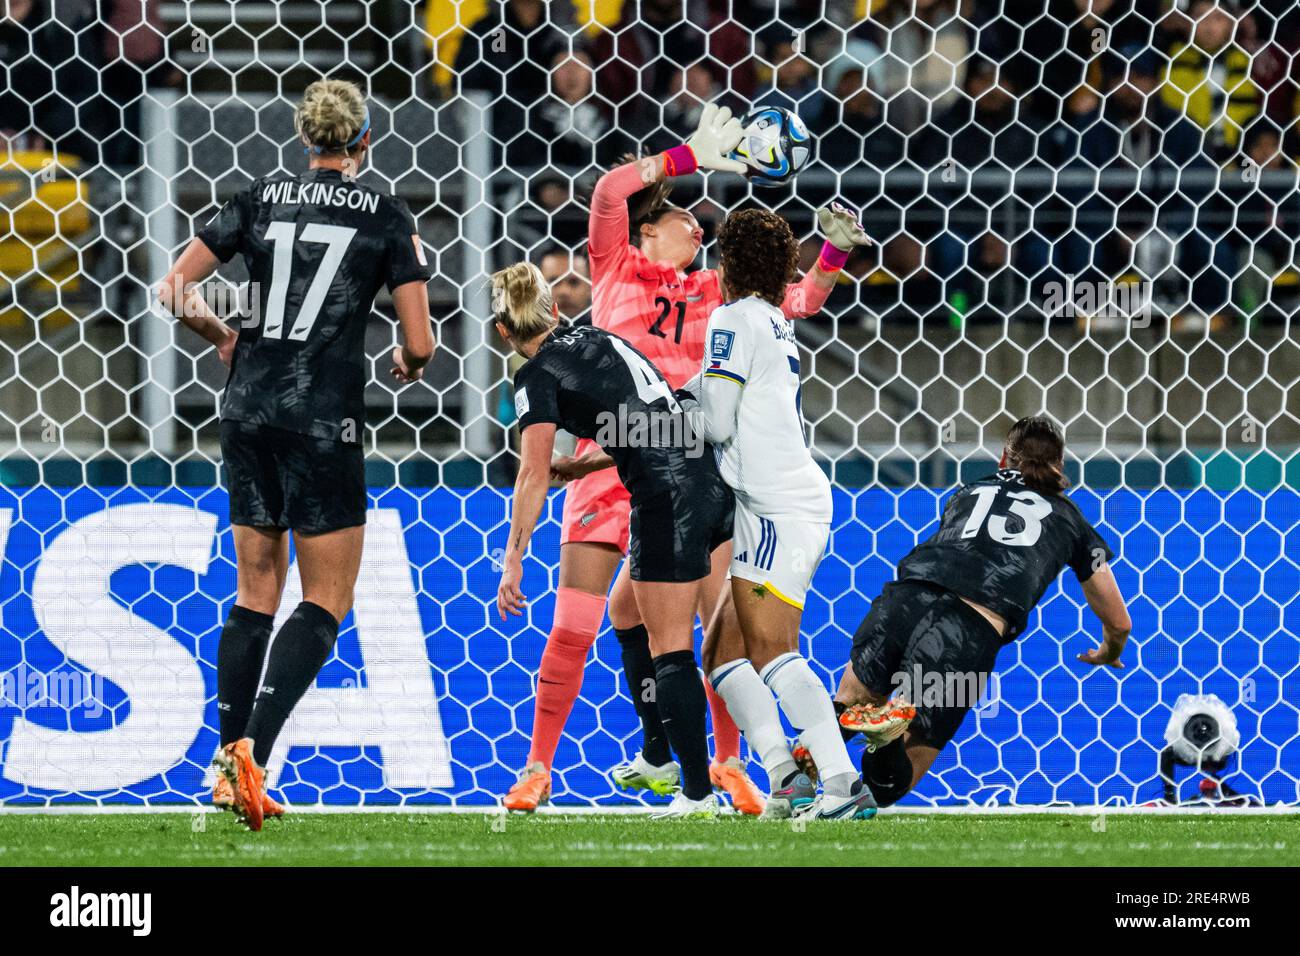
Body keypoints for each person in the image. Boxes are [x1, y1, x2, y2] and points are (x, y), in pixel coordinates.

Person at [501, 103, 870, 814]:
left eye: (700, 222)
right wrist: (688, 155)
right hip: (610, 471)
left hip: (691, 471)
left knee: (711, 633)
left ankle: (725, 767)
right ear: (646, 232)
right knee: (582, 626)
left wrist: (831, 256)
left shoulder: (714, 294)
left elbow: (793, 302)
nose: (697, 226)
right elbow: (609, 190)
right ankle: (541, 769)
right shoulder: (613, 267)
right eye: (680, 219)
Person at [156, 78, 434, 831]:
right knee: (323, 601)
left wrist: (222, 337)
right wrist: (409, 367)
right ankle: (255, 750)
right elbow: (418, 342)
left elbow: (173, 286)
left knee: (254, 594)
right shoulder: (386, 214)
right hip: (323, 418)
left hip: (247, 409)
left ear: (304, 139)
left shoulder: (255, 198)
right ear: (366, 140)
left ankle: (221, 769)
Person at [492, 262, 734, 819]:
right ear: (554, 310)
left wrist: (513, 563)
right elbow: (654, 422)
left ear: (505, 332)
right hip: (708, 484)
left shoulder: (535, 375)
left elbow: (530, 476)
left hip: (663, 501)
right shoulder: (601, 336)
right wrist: (584, 469)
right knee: (628, 611)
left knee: (670, 647)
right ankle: (664, 755)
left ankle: (698, 793)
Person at [833, 416, 1132, 808]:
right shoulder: (1070, 519)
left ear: (1003, 456)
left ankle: (794, 779)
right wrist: (1108, 651)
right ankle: (884, 745)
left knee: (848, 703)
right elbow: (1119, 621)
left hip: (903, 599)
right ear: (1060, 465)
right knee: (891, 784)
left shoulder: (968, 491)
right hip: (968, 630)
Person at [694, 207, 878, 821]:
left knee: (772, 650)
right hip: (772, 502)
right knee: (721, 653)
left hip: (777, 506)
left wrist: (665, 417)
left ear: (727, 264)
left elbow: (716, 421)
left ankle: (841, 782)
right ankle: (783, 773)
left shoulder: (730, 318)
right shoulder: (771, 318)